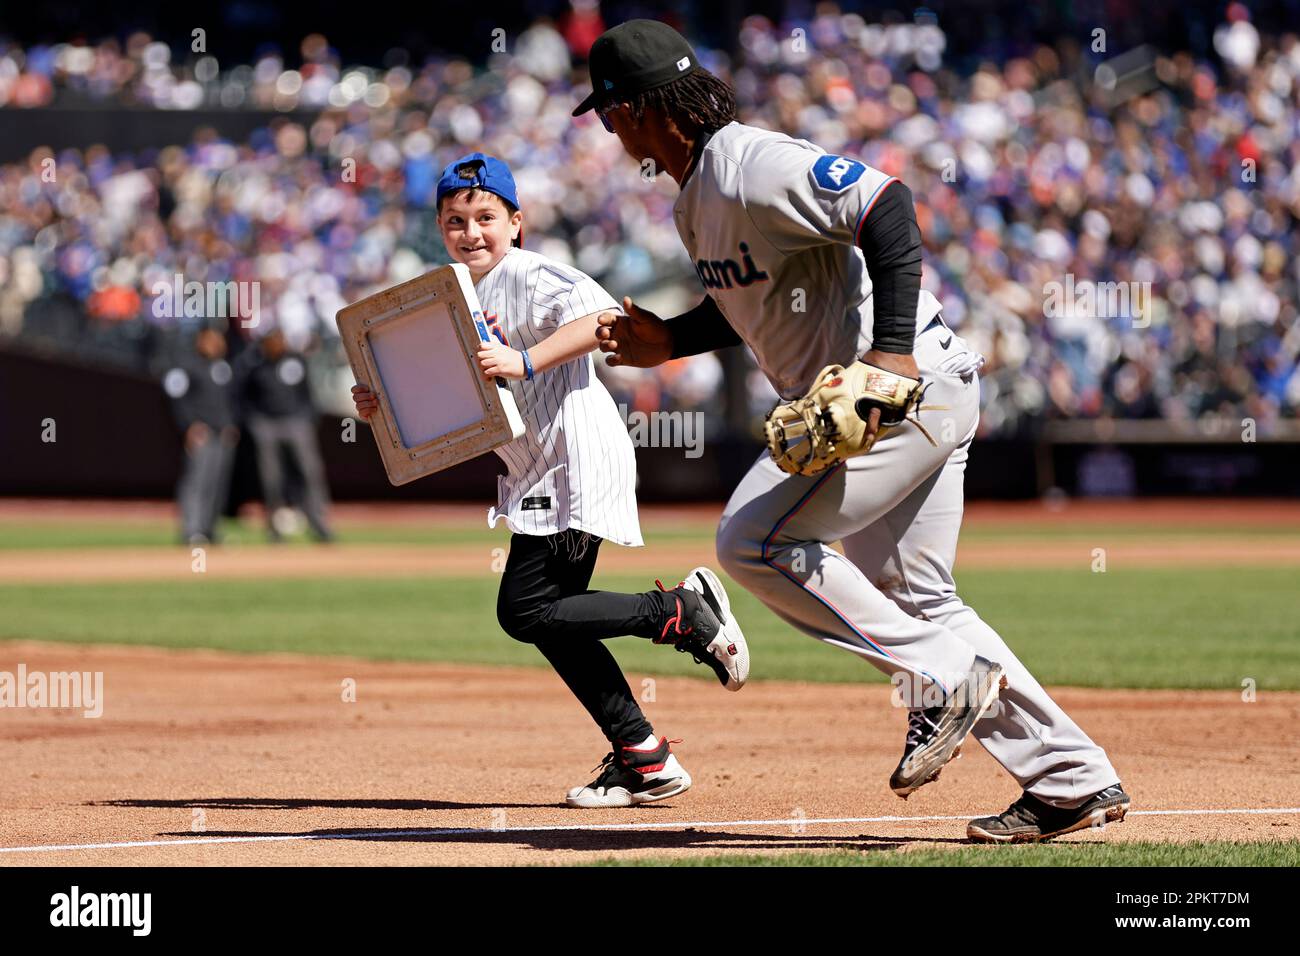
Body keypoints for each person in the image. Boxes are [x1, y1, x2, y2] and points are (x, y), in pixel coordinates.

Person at [578, 20, 1129, 842]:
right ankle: (1071, 781)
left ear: (642, 106)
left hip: (903, 393)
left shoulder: (749, 162)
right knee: (919, 597)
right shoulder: (697, 192)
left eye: (609, 109)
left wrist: (891, 357)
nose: (607, 126)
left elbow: (886, 206)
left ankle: (942, 677)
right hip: (904, 397)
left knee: (749, 542)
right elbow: (759, 303)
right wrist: (672, 339)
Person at [350, 152, 749, 807]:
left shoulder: (526, 274)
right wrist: (382, 406)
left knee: (525, 610)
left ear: (516, 223)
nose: (471, 231)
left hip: (575, 459)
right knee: (553, 620)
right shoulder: (451, 294)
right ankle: (644, 757)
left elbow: (601, 318)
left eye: (485, 217)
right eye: (455, 219)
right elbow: (449, 392)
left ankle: (679, 612)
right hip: (537, 469)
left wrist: (526, 359)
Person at [235, 325, 335, 543]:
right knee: (271, 478)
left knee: (310, 473)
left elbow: (308, 394)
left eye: (280, 339)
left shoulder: (296, 361)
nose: (277, 343)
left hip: (296, 422)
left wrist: (308, 420)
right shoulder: (255, 365)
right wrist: (256, 424)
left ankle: (320, 524)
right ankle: (274, 527)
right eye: (272, 340)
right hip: (267, 425)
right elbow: (244, 398)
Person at [163, 325, 239, 546]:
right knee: (196, 481)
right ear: (200, 340)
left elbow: (233, 401)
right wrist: (189, 425)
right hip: (202, 433)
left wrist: (231, 425)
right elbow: (178, 400)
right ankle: (191, 530)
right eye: (210, 339)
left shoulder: (224, 368)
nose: (215, 344)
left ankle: (209, 529)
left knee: (217, 484)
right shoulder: (189, 366)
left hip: (222, 434)